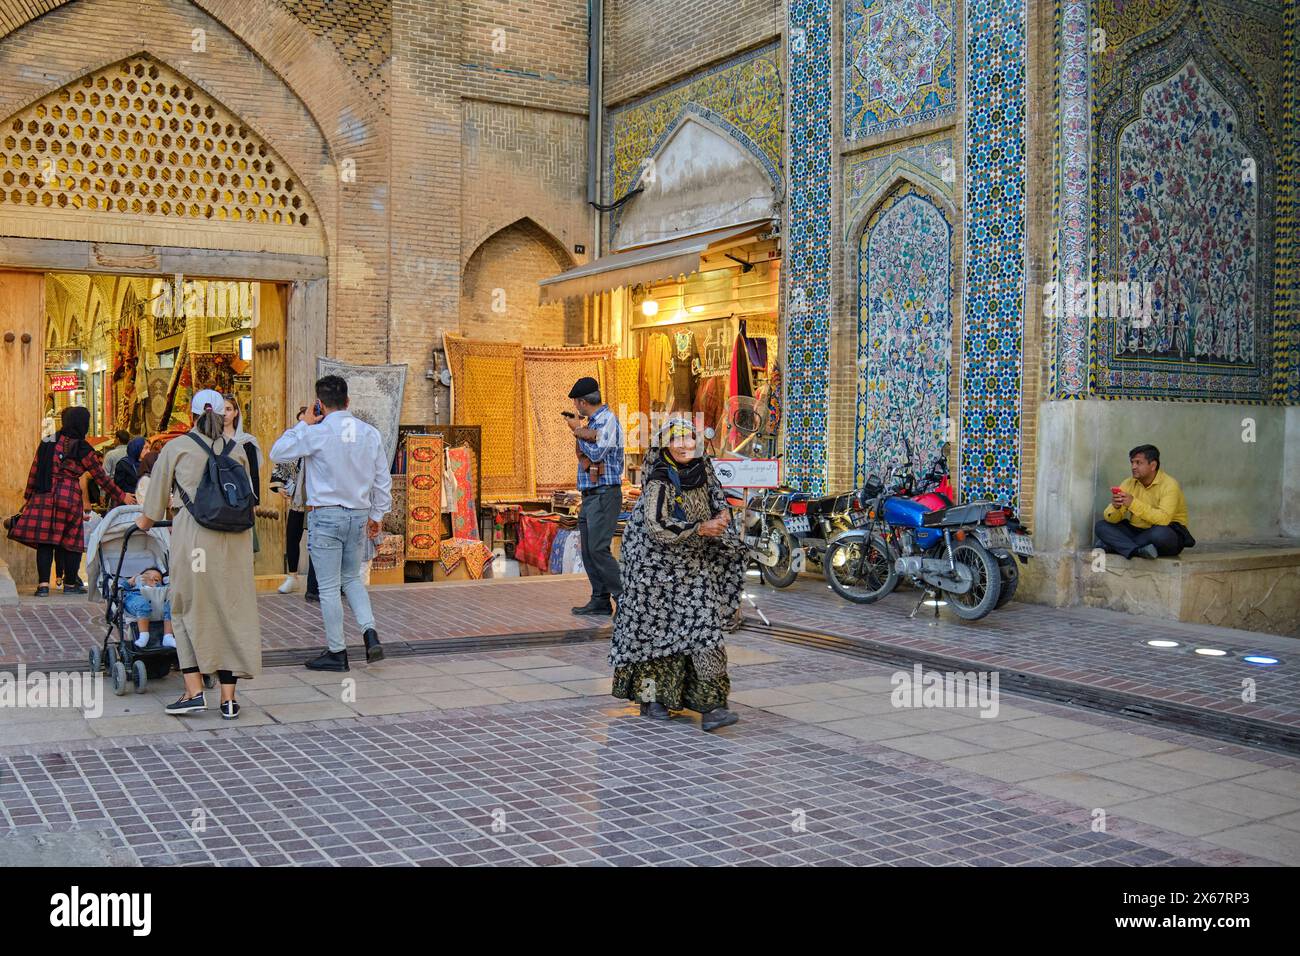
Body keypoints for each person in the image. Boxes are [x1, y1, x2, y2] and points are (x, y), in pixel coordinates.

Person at [609, 417, 743, 732]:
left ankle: (713, 706)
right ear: (665, 443)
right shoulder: (659, 478)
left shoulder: (704, 467)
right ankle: (651, 699)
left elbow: (717, 498)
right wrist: (700, 528)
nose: (684, 445)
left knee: (704, 627)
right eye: (677, 439)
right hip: (653, 566)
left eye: (689, 438)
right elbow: (656, 525)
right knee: (656, 634)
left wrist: (723, 515)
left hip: (693, 562)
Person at [135, 390, 261, 719]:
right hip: (234, 545)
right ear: (224, 416)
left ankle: (193, 691)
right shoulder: (238, 451)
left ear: (191, 415)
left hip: (194, 544)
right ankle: (229, 699)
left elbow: (152, 504)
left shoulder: (175, 448)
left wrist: (143, 522)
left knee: (185, 608)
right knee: (231, 612)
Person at [270, 375, 391, 671]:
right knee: (351, 579)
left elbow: (278, 452)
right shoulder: (370, 433)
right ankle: (369, 632)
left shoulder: (317, 432)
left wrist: (305, 423)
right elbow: (382, 480)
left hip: (326, 516)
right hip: (358, 516)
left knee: (327, 587)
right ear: (348, 402)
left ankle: (337, 651)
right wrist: (377, 515)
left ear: (319, 404)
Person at [8, 406, 135, 596]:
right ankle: (69, 584)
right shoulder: (83, 447)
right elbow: (101, 477)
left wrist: (28, 497)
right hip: (68, 497)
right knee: (72, 541)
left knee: (45, 542)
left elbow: (34, 471)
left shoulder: (48, 441)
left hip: (43, 495)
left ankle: (43, 586)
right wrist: (122, 496)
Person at [565, 376, 624, 616]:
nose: (576, 408)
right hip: (591, 495)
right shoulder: (595, 423)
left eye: (576, 403)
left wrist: (577, 431)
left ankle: (625, 599)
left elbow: (598, 453)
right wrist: (581, 430)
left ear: (581, 402)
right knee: (589, 550)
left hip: (604, 494)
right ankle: (600, 598)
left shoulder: (608, 421)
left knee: (598, 548)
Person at [1094, 443, 1195, 559]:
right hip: (1137, 531)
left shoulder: (1170, 485)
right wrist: (1115, 507)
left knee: (1160, 534)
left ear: (1153, 465)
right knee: (1101, 526)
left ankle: (1116, 546)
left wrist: (1133, 503)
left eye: (1138, 463)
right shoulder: (1128, 483)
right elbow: (1113, 519)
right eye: (1132, 462)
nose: (1133, 467)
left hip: (1167, 533)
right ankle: (1138, 550)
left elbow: (1163, 519)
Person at [269, 407, 319, 597]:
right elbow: (279, 461)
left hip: (316, 495)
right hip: (298, 495)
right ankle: (292, 576)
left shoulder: (318, 437)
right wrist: (279, 484)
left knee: (316, 537)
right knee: (292, 534)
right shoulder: (295, 440)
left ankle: (315, 581)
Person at [124, 567, 175, 649]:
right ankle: (144, 635)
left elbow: (168, 586)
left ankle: (168, 636)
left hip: (159, 601)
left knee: (172, 603)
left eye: (156, 579)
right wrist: (128, 582)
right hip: (137, 597)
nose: (151, 579)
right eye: (147, 576)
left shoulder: (161, 589)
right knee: (141, 603)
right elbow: (118, 590)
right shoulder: (135, 586)